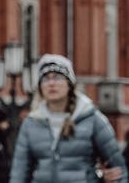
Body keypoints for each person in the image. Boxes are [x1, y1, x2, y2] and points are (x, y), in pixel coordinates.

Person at [10, 54, 126, 183]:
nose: (51, 83)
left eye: (57, 77)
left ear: (69, 84)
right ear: (40, 87)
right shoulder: (31, 123)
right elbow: (19, 173)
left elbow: (119, 170)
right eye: (45, 78)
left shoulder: (91, 119)